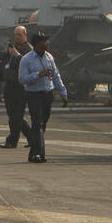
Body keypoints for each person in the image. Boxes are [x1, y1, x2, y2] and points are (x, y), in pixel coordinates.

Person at [18, 32, 67, 163]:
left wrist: (63, 91)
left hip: (47, 94)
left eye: (47, 42)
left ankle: (33, 152)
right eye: (43, 42)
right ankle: (40, 153)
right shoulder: (26, 60)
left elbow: (56, 75)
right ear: (36, 44)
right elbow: (22, 79)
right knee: (37, 123)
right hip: (34, 94)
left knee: (42, 124)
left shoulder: (49, 57)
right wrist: (37, 75)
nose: (46, 44)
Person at [0, 26, 34, 149]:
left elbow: (29, 64)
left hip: (21, 86)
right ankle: (32, 138)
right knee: (13, 114)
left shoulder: (29, 49)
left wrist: (16, 54)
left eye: (20, 34)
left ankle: (12, 141)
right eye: (16, 35)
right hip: (9, 85)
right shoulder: (12, 47)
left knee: (16, 115)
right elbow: (1, 56)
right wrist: (8, 51)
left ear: (25, 35)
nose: (17, 37)